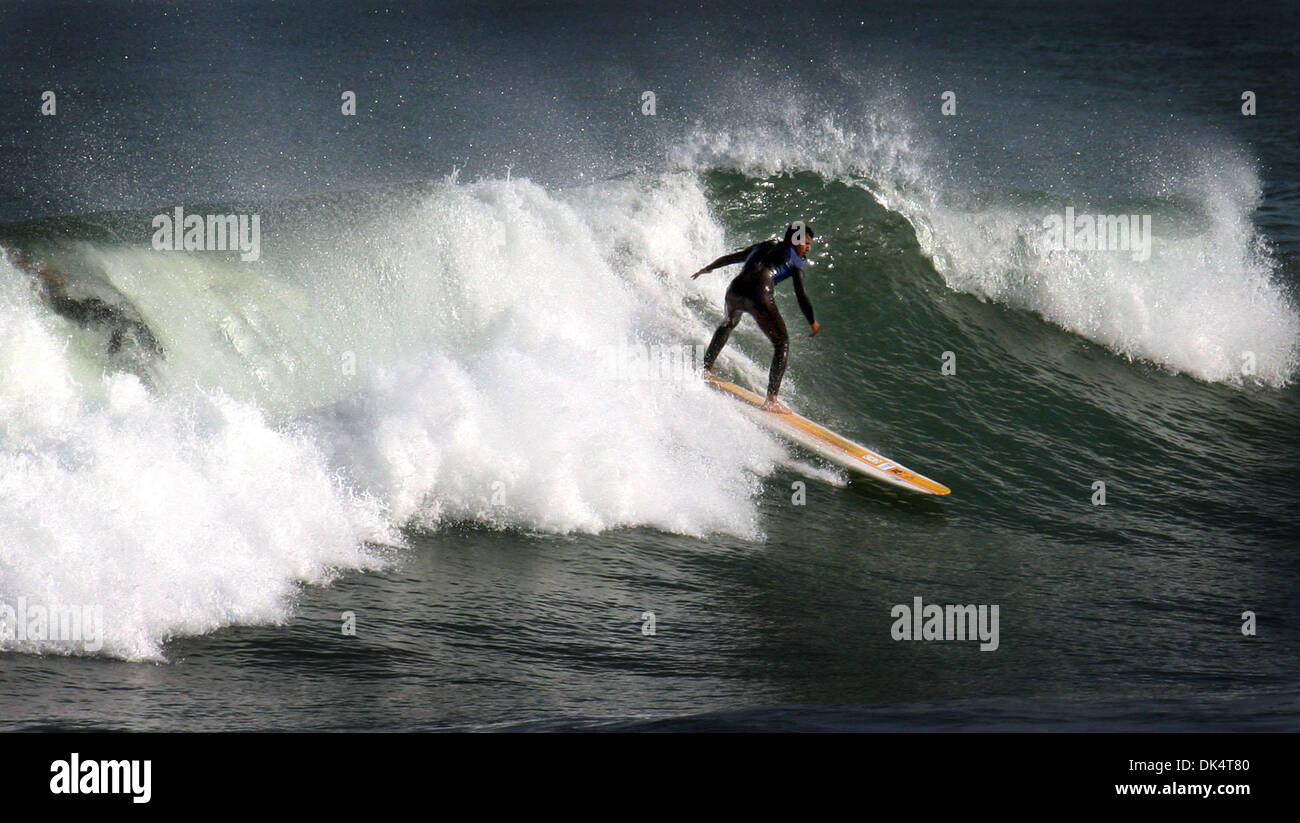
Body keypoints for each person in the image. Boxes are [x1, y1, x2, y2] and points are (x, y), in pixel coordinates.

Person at [691, 222, 820, 413]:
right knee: (782, 343)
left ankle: (705, 367)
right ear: (795, 240)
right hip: (760, 293)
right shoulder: (795, 261)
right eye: (806, 243)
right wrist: (812, 321)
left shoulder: (765, 245)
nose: (808, 248)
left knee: (728, 323)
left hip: (735, 290)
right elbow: (801, 294)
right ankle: (771, 400)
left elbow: (734, 257)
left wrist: (709, 268)